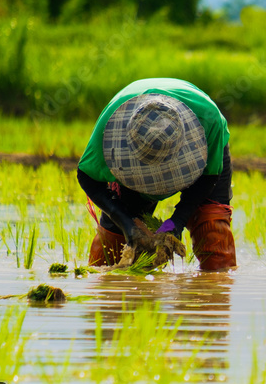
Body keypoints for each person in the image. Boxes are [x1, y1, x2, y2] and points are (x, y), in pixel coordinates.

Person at [78, 77, 236, 270]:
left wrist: (177, 222)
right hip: (132, 164)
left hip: (202, 155)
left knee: (213, 235)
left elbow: (209, 176)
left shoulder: (208, 119)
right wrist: (126, 223)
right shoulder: (109, 128)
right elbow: (86, 175)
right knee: (110, 256)